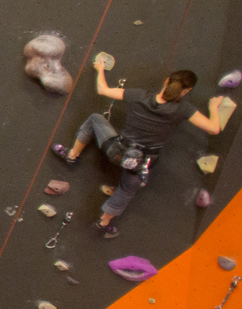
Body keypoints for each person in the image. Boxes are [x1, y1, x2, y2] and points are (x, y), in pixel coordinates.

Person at [53, 60, 231, 238]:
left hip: (115, 151)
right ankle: (103, 223)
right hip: (140, 164)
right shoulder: (183, 109)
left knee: (95, 119)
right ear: (187, 91)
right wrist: (213, 108)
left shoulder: (139, 95)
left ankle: (72, 155)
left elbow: (103, 90)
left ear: (167, 81)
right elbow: (214, 129)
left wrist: (100, 69)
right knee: (127, 190)